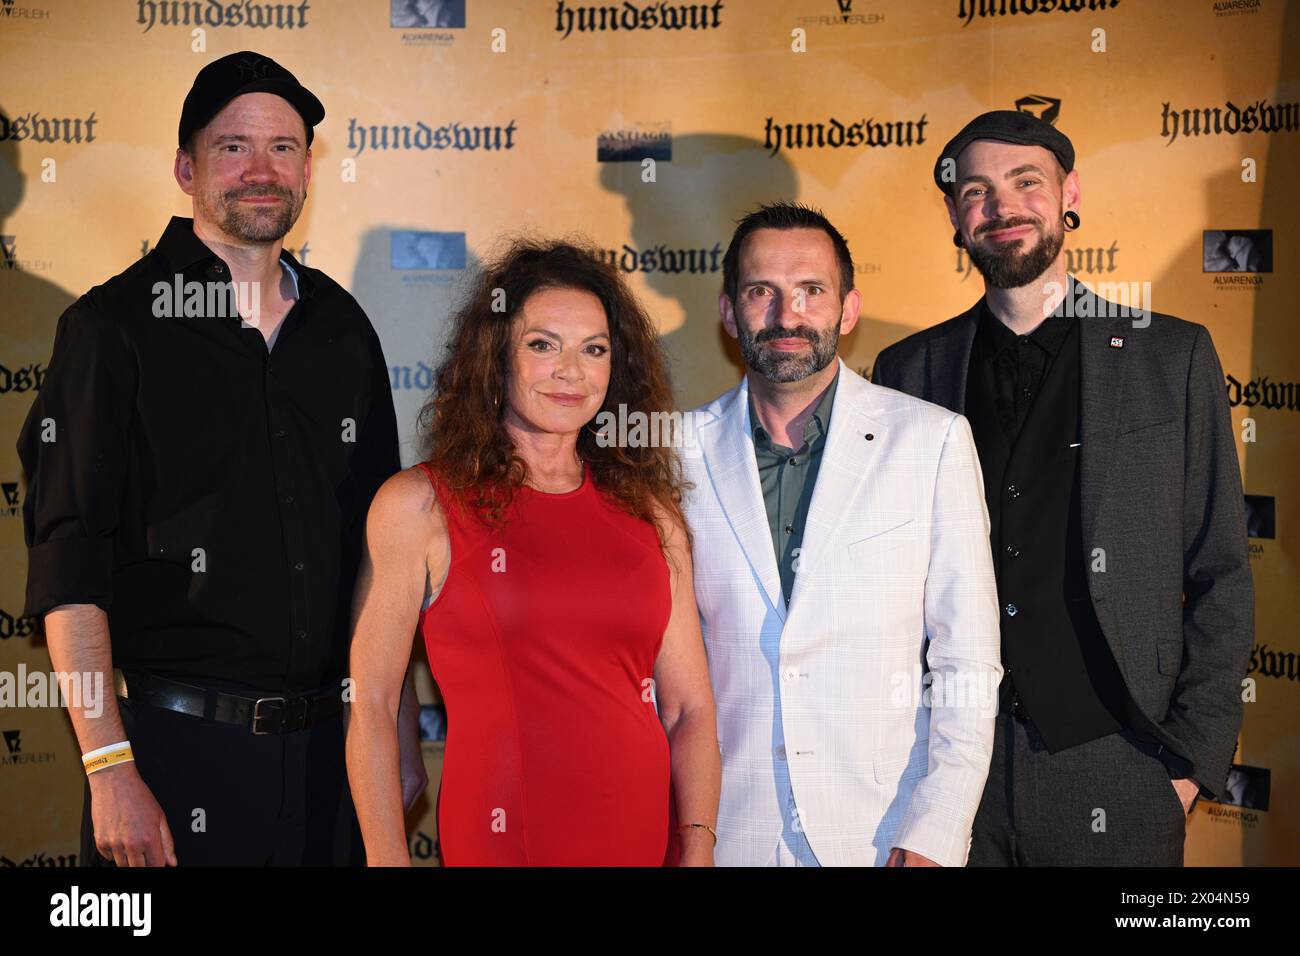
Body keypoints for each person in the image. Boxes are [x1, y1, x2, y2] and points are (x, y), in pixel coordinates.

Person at [17, 51, 417, 866]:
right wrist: (108, 768)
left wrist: (397, 730)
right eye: (233, 147)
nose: (262, 171)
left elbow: (386, 562)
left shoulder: (343, 329)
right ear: (185, 168)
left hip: (329, 764)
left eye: (284, 147)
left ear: (308, 169)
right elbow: (70, 565)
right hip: (167, 760)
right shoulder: (112, 330)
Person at [872, 110, 1254, 866]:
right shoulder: (907, 372)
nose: (1002, 206)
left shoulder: (1170, 356)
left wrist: (1186, 768)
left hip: (1119, 766)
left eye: (1025, 182)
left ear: (1067, 192)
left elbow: (1222, 569)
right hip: (949, 776)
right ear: (954, 214)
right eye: (975, 191)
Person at [346, 239, 720, 866]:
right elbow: (374, 705)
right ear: (496, 359)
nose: (571, 371)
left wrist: (698, 846)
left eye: (593, 349)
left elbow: (689, 709)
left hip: (643, 842)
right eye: (543, 345)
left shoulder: (653, 517)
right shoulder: (421, 506)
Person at [682, 201, 1002, 867]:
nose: (785, 315)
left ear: (847, 309)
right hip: (723, 835)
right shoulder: (675, 455)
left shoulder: (932, 441)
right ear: (728, 311)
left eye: (810, 291)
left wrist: (934, 835)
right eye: (760, 291)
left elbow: (966, 662)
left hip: (882, 835)